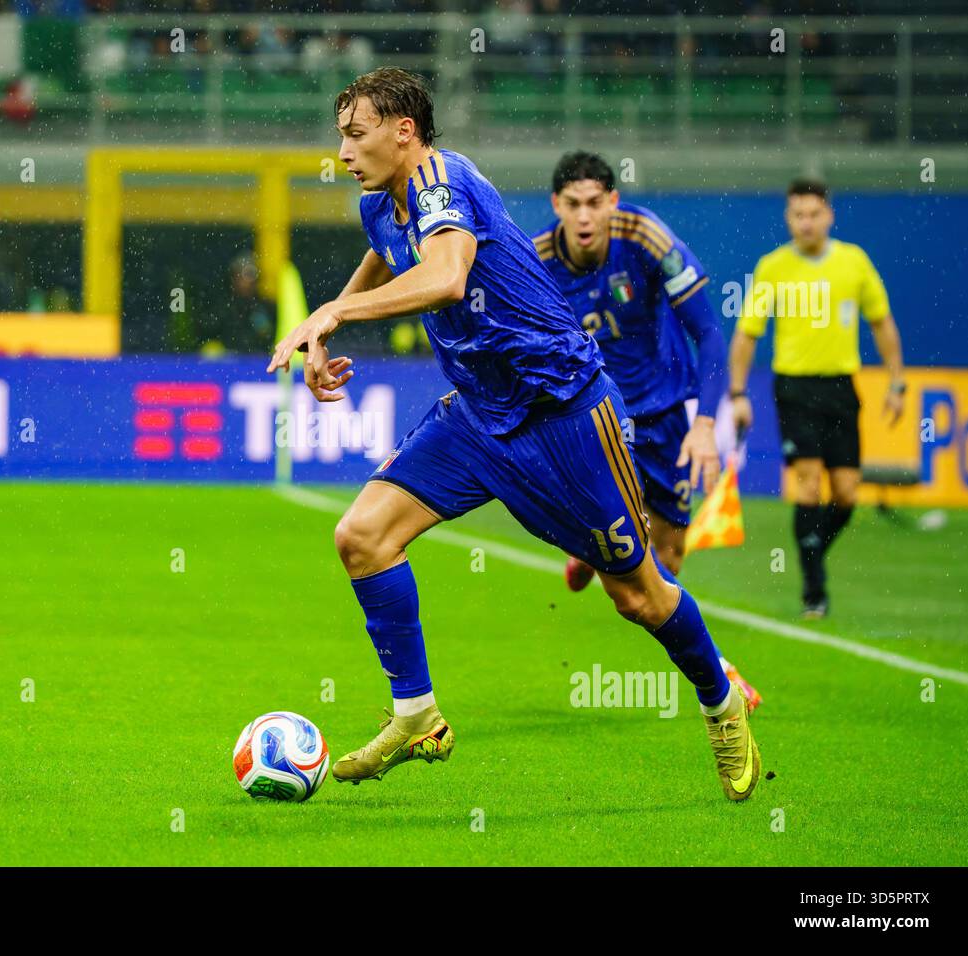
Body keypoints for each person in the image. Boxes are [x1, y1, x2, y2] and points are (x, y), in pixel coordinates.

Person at [268, 68, 761, 802]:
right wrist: (322, 328)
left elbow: (443, 276)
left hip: (564, 410)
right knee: (361, 537)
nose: (342, 148)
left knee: (639, 595)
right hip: (477, 412)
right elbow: (384, 254)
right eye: (340, 133)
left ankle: (720, 704)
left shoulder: (444, 179)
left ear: (403, 131)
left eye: (355, 131)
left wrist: (336, 316)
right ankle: (417, 715)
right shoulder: (382, 202)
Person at [533, 150, 761, 712]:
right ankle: (720, 672)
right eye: (572, 205)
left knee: (671, 556)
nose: (584, 217)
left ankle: (589, 547)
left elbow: (709, 332)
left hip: (664, 411)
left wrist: (706, 425)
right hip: (593, 415)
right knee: (636, 578)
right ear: (556, 206)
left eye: (594, 203)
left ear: (612, 201)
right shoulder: (535, 261)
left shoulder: (648, 238)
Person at [729, 177, 905, 618]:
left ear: (830, 215)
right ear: (788, 218)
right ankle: (814, 591)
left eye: (814, 214)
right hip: (794, 388)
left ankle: (812, 551)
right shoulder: (773, 267)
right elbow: (747, 334)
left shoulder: (854, 263)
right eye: (797, 215)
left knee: (847, 493)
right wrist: (736, 392)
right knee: (808, 484)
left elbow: (881, 323)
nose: (806, 223)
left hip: (841, 387)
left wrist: (897, 382)